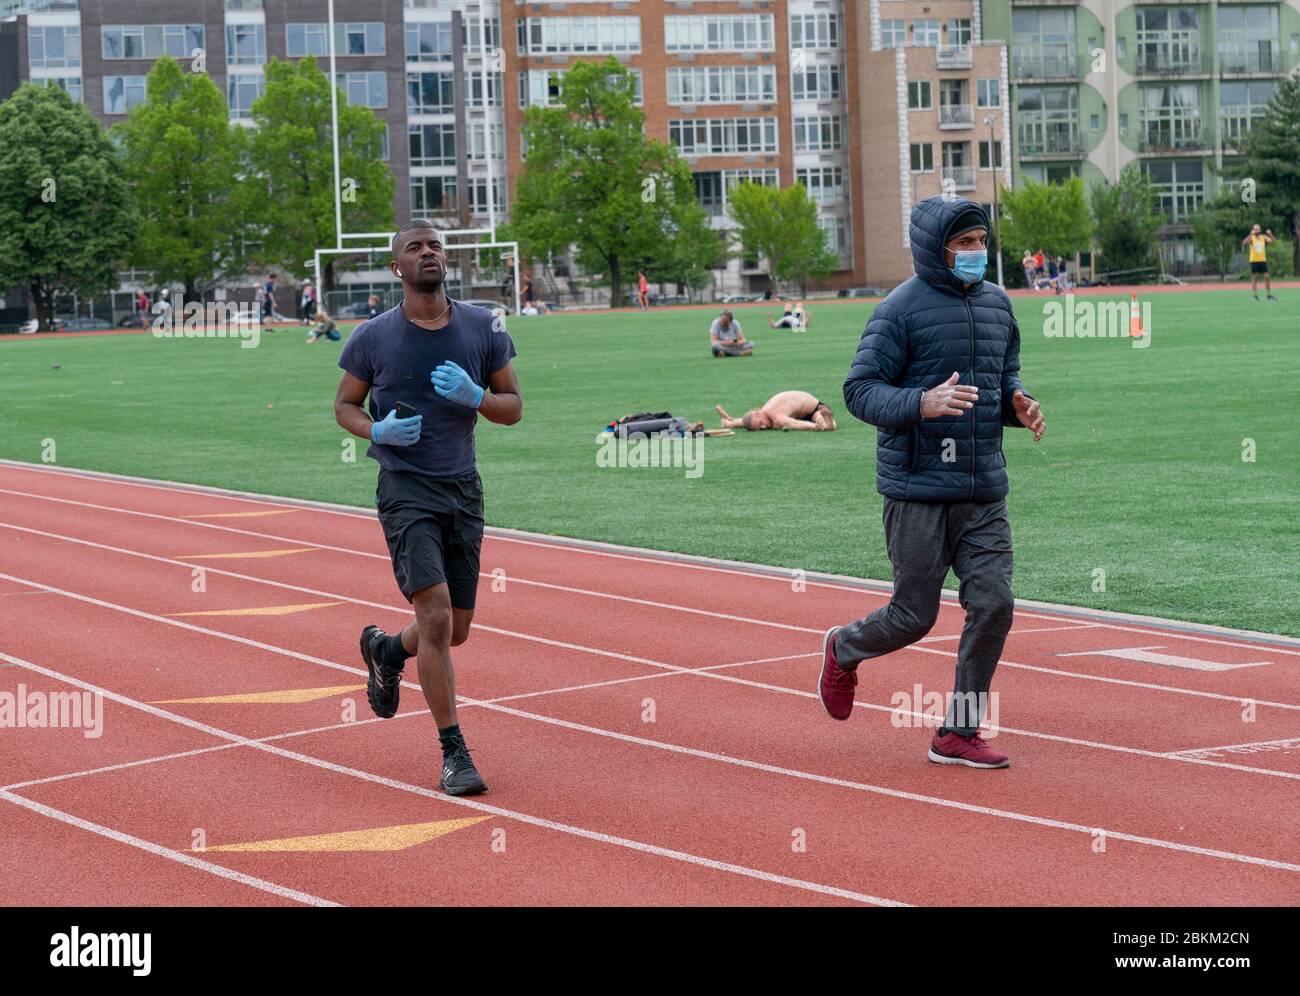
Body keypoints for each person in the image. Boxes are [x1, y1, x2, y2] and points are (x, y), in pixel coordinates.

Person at [818, 196, 1043, 769]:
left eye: (980, 243)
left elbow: (1002, 379)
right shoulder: (899, 310)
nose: (976, 254)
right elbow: (859, 391)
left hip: (983, 489)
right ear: (936, 250)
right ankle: (844, 647)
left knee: (994, 604)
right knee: (913, 616)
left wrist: (1018, 406)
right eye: (964, 245)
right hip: (917, 489)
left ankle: (958, 732)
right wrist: (923, 402)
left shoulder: (997, 304)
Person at [333, 219, 523, 796]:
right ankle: (454, 753)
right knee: (436, 616)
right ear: (398, 268)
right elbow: (344, 406)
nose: (428, 253)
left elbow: (513, 406)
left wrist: (478, 398)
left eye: (435, 245)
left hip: (462, 488)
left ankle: (386, 650)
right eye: (415, 248)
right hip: (405, 489)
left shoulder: (482, 326)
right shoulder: (372, 337)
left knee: (455, 629)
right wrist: (378, 431)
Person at [716, 390, 835, 431]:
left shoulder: (776, 416)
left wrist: (813, 426)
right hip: (801, 411)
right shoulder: (762, 413)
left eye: (761, 424)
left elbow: (793, 423)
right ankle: (826, 421)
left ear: (758, 412)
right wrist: (729, 423)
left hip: (815, 409)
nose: (763, 427)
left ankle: (827, 420)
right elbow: (746, 421)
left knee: (826, 427)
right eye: (760, 428)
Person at [1243, 225, 1278, 301]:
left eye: (1258, 229)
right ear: (1253, 230)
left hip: (1262, 260)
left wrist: (1270, 234)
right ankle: (1255, 296)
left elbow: (1274, 242)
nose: (1257, 231)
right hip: (1254, 260)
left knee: (1267, 277)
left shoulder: (1263, 237)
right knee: (1255, 278)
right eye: (1255, 229)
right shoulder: (1251, 237)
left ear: (1260, 230)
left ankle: (1269, 295)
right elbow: (1244, 243)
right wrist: (1250, 234)